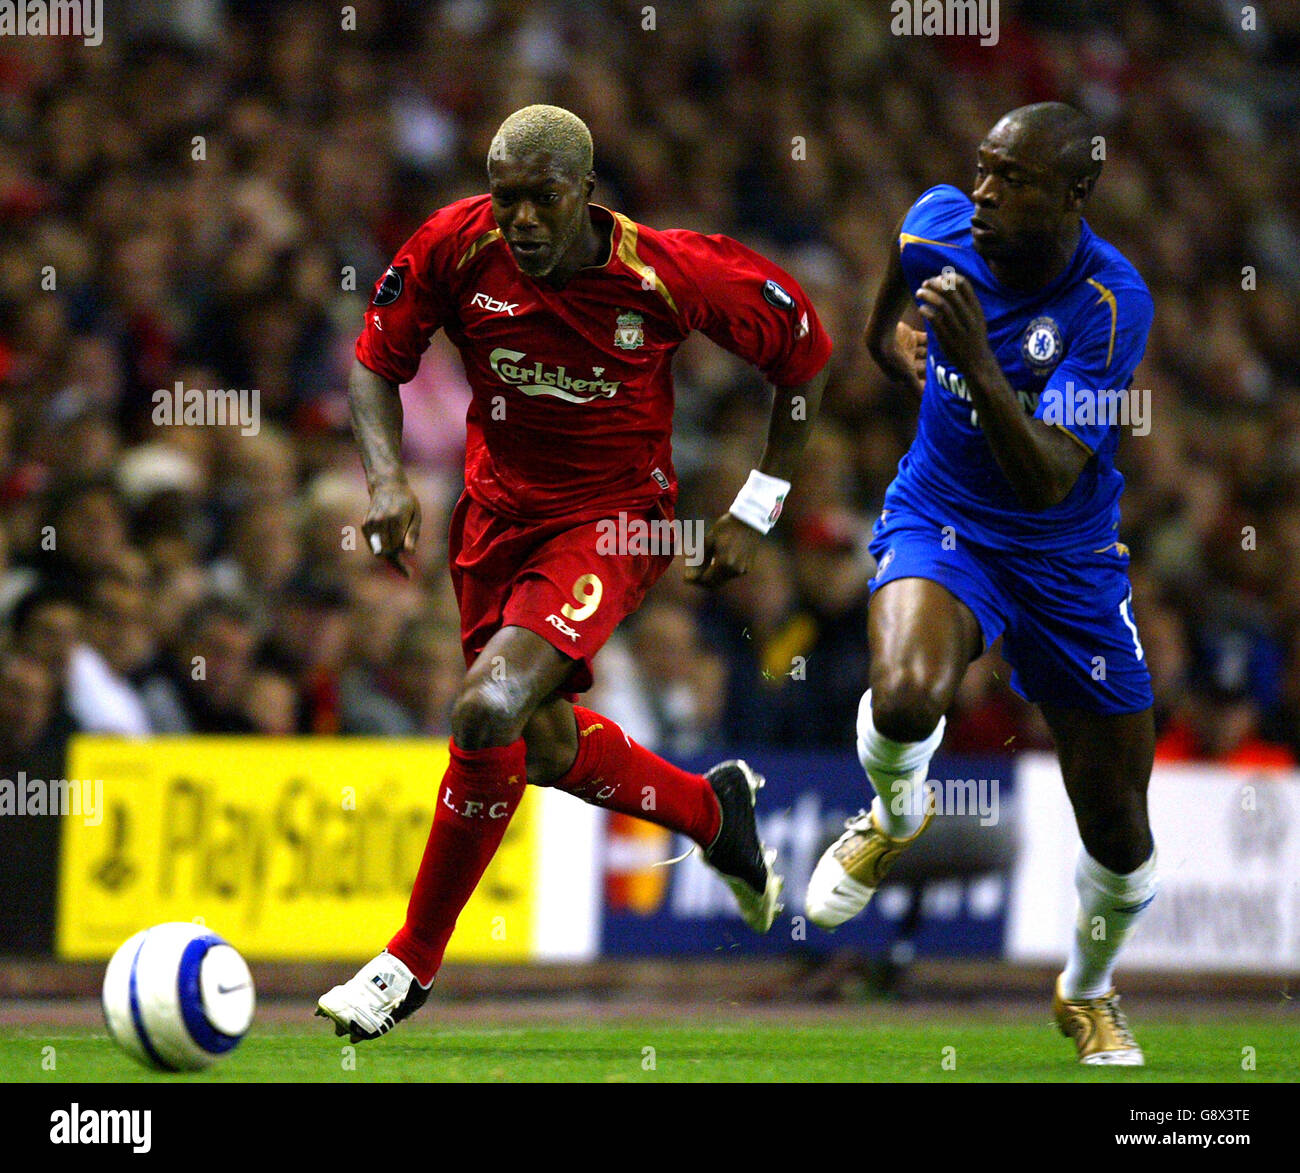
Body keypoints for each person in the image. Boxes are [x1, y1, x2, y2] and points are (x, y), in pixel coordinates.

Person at [317, 105, 831, 1041]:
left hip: (615, 523)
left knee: (482, 710)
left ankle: (408, 961)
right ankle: (711, 810)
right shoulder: (455, 245)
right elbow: (371, 366)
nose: (520, 218)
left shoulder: (673, 272)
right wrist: (388, 479)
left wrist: (758, 504)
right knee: (538, 744)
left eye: (541, 198)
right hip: (492, 521)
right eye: (505, 195)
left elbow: (805, 355)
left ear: (586, 194)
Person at [805, 103, 1158, 1065]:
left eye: (1014, 179)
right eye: (984, 168)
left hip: (1067, 557)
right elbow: (882, 334)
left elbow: (1049, 469)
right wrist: (907, 353)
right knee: (908, 692)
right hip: (945, 516)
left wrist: (974, 364)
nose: (985, 192)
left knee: (1124, 837)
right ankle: (894, 811)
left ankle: (1086, 991)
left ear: (1075, 195)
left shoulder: (1110, 304)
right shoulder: (934, 228)